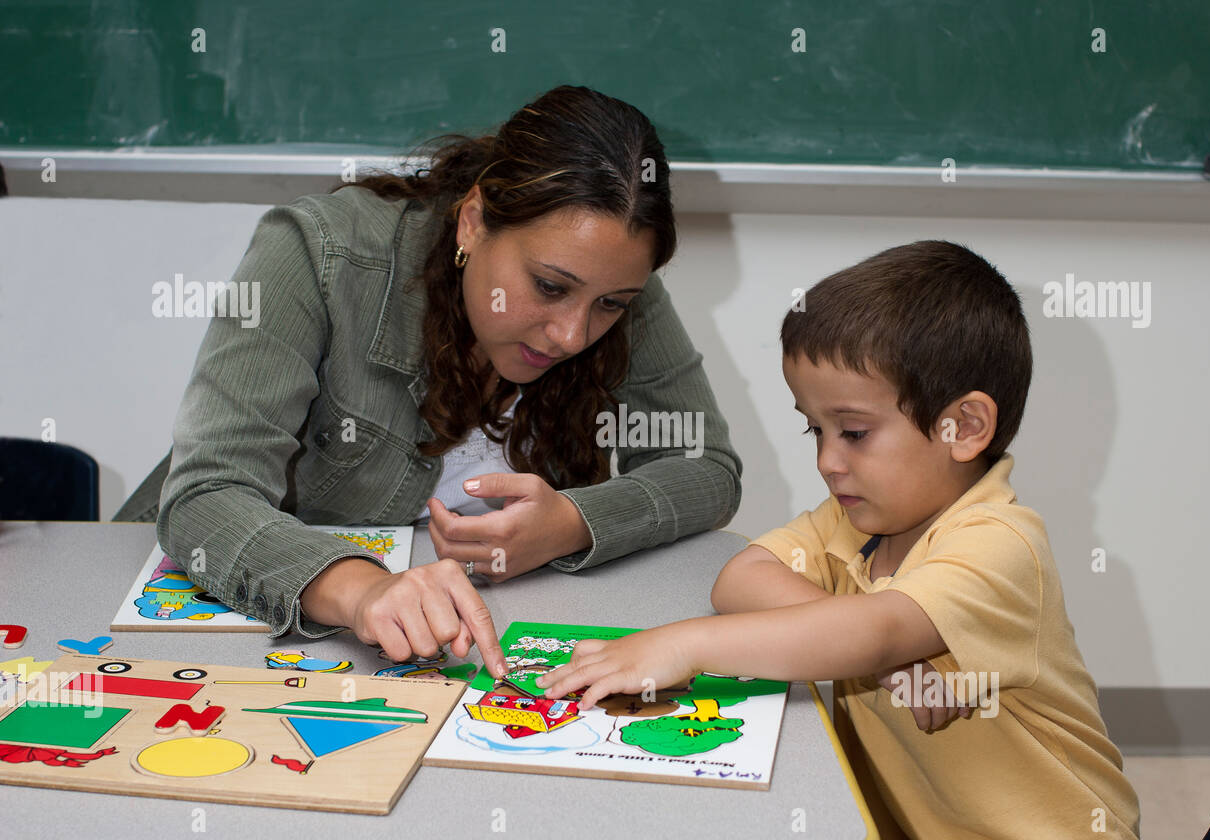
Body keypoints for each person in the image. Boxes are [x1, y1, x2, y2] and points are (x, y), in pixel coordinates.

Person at [540, 240, 1147, 840]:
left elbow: (879, 628)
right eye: (816, 429)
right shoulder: (859, 519)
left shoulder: (1000, 544)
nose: (829, 461)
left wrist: (683, 646)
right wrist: (880, 654)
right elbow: (740, 577)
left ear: (962, 427)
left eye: (854, 433)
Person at [114, 86, 742, 673]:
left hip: (466, 637)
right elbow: (208, 493)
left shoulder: (610, 278)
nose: (573, 335)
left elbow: (704, 465)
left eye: (611, 305)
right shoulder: (316, 251)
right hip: (226, 622)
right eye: (549, 288)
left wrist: (573, 522)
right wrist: (359, 589)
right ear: (473, 221)